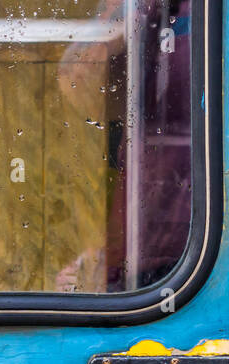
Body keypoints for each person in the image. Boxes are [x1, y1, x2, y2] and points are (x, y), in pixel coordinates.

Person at [55, 0, 193, 293]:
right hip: (138, 240)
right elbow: (75, 74)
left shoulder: (205, 21)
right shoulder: (148, 15)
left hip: (183, 243)